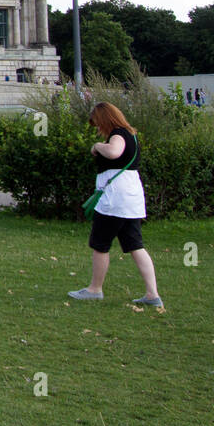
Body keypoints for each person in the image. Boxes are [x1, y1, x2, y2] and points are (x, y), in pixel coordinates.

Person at [69, 102, 162, 308]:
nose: (99, 129)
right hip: (131, 198)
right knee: (135, 245)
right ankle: (152, 293)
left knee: (100, 244)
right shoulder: (132, 135)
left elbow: (114, 152)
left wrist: (97, 146)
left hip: (115, 200)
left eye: (98, 124)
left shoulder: (118, 134)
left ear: (105, 119)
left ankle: (95, 289)